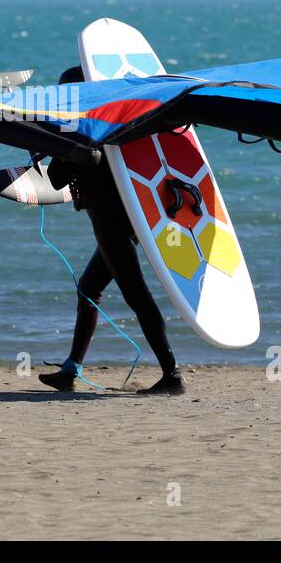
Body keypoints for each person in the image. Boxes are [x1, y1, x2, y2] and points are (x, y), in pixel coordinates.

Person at [37, 69, 185, 396]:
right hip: (129, 215)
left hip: (110, 220)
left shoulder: (84, 129)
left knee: (137, 295)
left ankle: (171, 374)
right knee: (89, 288)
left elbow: (58, 178)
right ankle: (70, 370)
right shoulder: (112, 122)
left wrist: (45, 142)